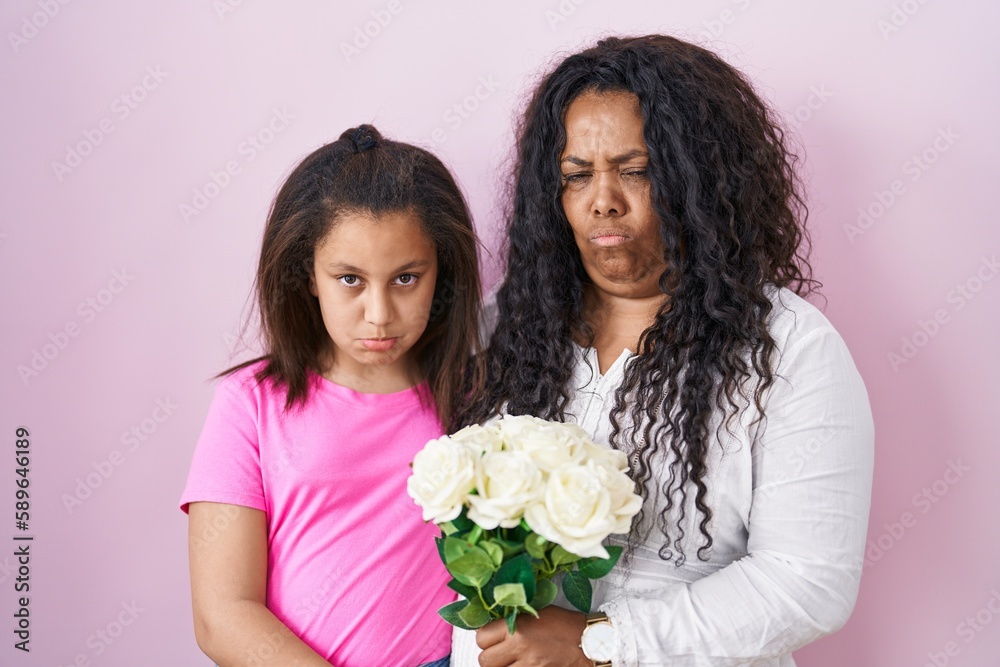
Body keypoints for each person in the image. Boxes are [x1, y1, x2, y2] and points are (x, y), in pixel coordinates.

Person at [451, 35, 874, 667]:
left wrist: (599, 642)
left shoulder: (789, 350)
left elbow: (808, 580)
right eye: (576, 176)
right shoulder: (506, 325)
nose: (603, 201)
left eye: (636, 170)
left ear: (699, 180)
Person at [180, 124, 483, 666]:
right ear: (309, 275)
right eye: (350, 279)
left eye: (407, 278)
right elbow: (221, 614)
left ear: (442, 270)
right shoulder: (249, 404)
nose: (379, 314)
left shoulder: (477, 397)